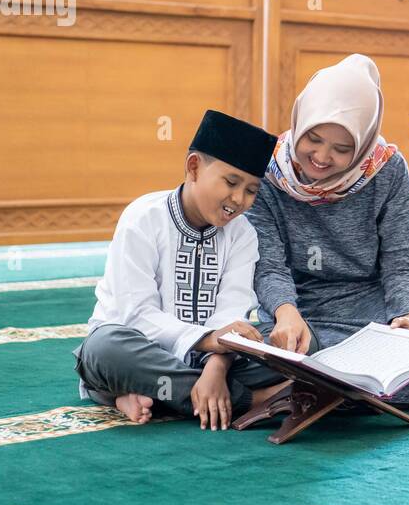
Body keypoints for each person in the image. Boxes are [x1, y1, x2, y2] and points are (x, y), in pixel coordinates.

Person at [249, 54, 409, 406]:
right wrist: (285, 310)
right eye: (313, 139)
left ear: (363, 143)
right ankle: (330, 386)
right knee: (255, 352)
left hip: (373, 305)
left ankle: (311, 390)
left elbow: (402, 255)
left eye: (342, 148)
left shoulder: (387, 169)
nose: (320, 157)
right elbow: (268, 262)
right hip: (298, 305)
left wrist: (406, 315)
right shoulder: (267, 171)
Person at [73, 109, 310, 429]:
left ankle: (136, 394)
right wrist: (210, 339)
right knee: (103, 349)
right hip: (140, 350)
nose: (238, 199)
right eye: (231, 182)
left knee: (298, 344)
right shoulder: (142, 219)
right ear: (194, 167)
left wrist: (217, 365)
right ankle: (252, 401)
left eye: (252, 190)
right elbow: (138, 315)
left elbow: (233, 313)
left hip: (213, 356)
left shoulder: (243, 234)